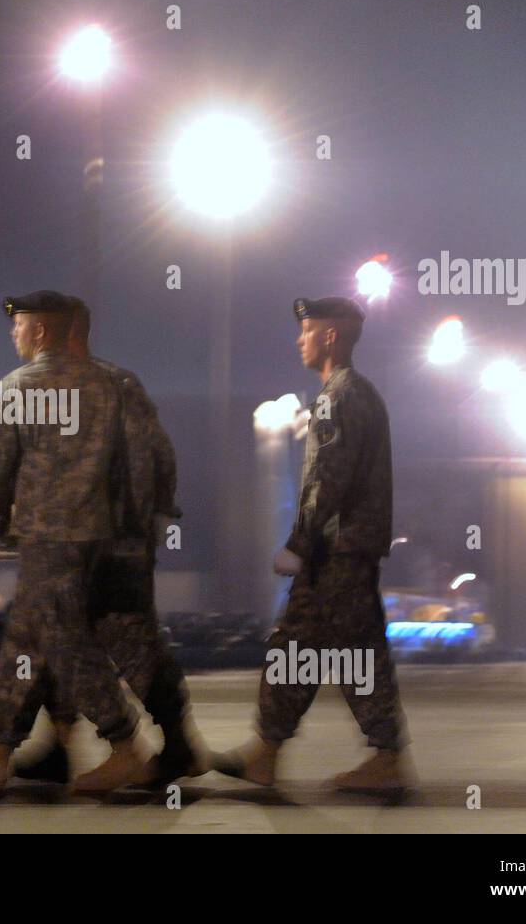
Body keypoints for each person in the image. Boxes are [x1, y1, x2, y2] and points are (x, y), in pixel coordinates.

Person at [0, 290, 152, 793]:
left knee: (63, 640)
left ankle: (126, 746)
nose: (12, 332)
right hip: (96, 535)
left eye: (18, 325)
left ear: (39, 331)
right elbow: (137, 464)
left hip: (46, 535)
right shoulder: (109, 384)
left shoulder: (19, 386)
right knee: (27, 639)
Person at [214, 296, 410, 792]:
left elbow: (328, 477)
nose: (299, 340)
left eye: (307, 331)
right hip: (353, 549)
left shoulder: (336, 397)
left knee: (297, 646)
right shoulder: (359, 393)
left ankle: (269, 752)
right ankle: (381, 757)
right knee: (349, 650)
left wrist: (299, 544)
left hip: (333, 552)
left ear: (330, 336)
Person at [14, 296, 209, 786]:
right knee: (64, 635)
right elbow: (162, 457)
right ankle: (61, 744)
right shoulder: (108, 383)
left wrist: (128, 531)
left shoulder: (103, 384)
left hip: (107, 543)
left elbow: (146, 460)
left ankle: (175, 745)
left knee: (121, 638)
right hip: (108, 539)